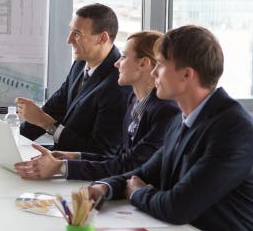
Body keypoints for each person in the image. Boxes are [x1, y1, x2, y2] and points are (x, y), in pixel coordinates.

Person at [89, 25, 253, 231]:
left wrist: (137, 193)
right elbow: (146, 173)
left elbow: (178, 207)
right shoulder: (181, 120)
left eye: (161, 65)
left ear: (187, 74)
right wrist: (103, 188)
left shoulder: (234, 129)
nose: (154, 73)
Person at [13, 30, 179, 180]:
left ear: (143, 64)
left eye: (124, 57)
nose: (117, 63)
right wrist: (73, 157)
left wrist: (62, 167)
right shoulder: (134, 102)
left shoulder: (165, 111)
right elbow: (120, 157)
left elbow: (129, 165)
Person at [15, 3, 131, 154]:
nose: (69, 40)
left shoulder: (119, 83)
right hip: (60, 157)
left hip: (83, 169)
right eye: (71, 31)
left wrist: (45, 123)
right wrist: (13, 139)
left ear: (102, 38)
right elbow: (54, 108)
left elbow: (99, 151)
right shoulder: (80, 63)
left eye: (77, 34)